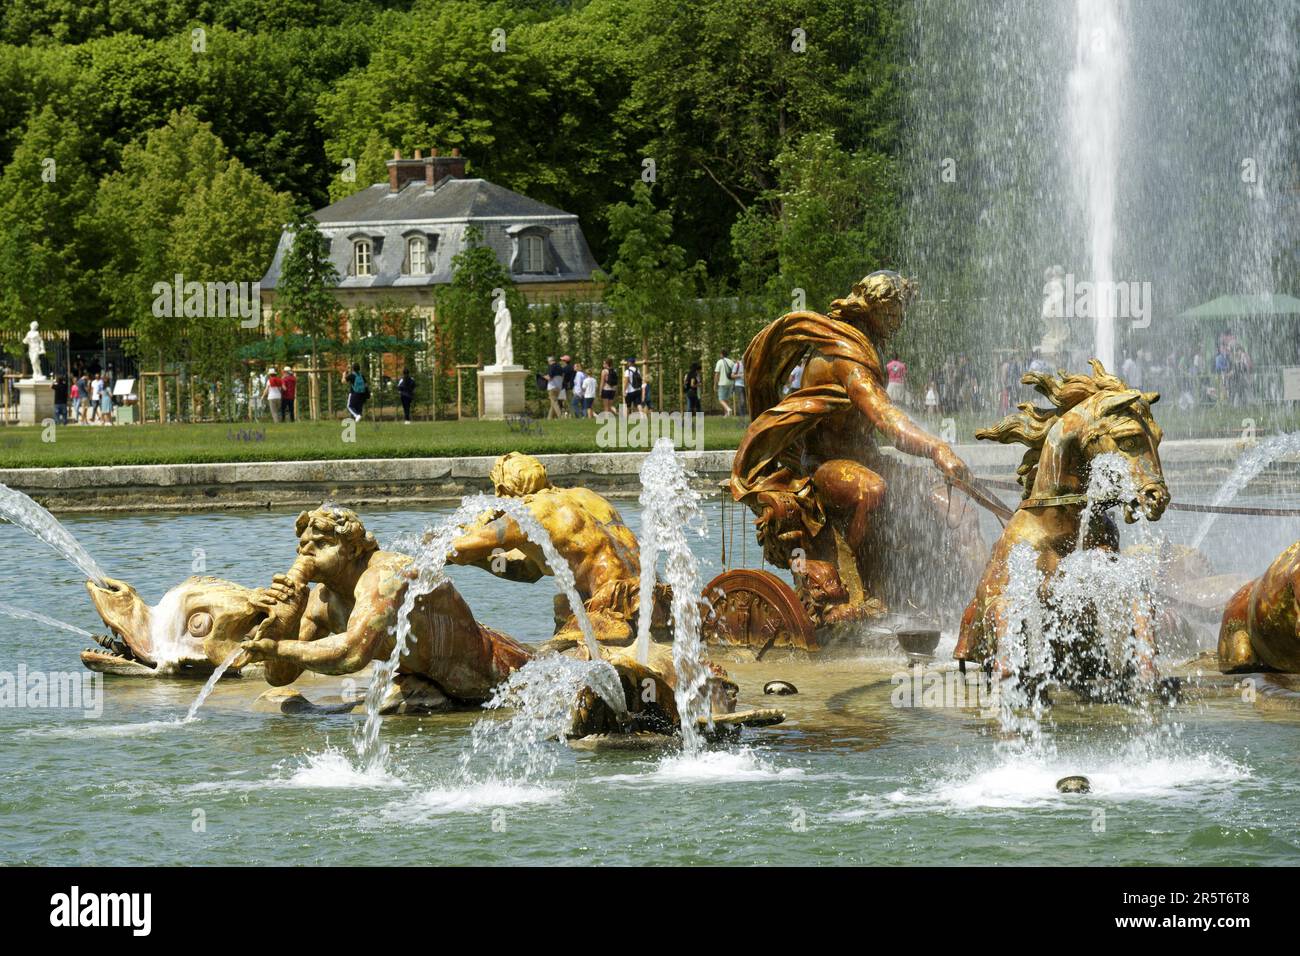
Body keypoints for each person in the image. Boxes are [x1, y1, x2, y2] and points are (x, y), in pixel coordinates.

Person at [714, 348, 735, 416]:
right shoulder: (731, 362)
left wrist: (715, 384)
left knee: (721, 399)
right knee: (726, 399)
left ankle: (728, 409)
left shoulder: (720, 362)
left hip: (722, 383)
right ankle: (726, 414)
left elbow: (717, 374)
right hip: (730, 383)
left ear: (721, 354)